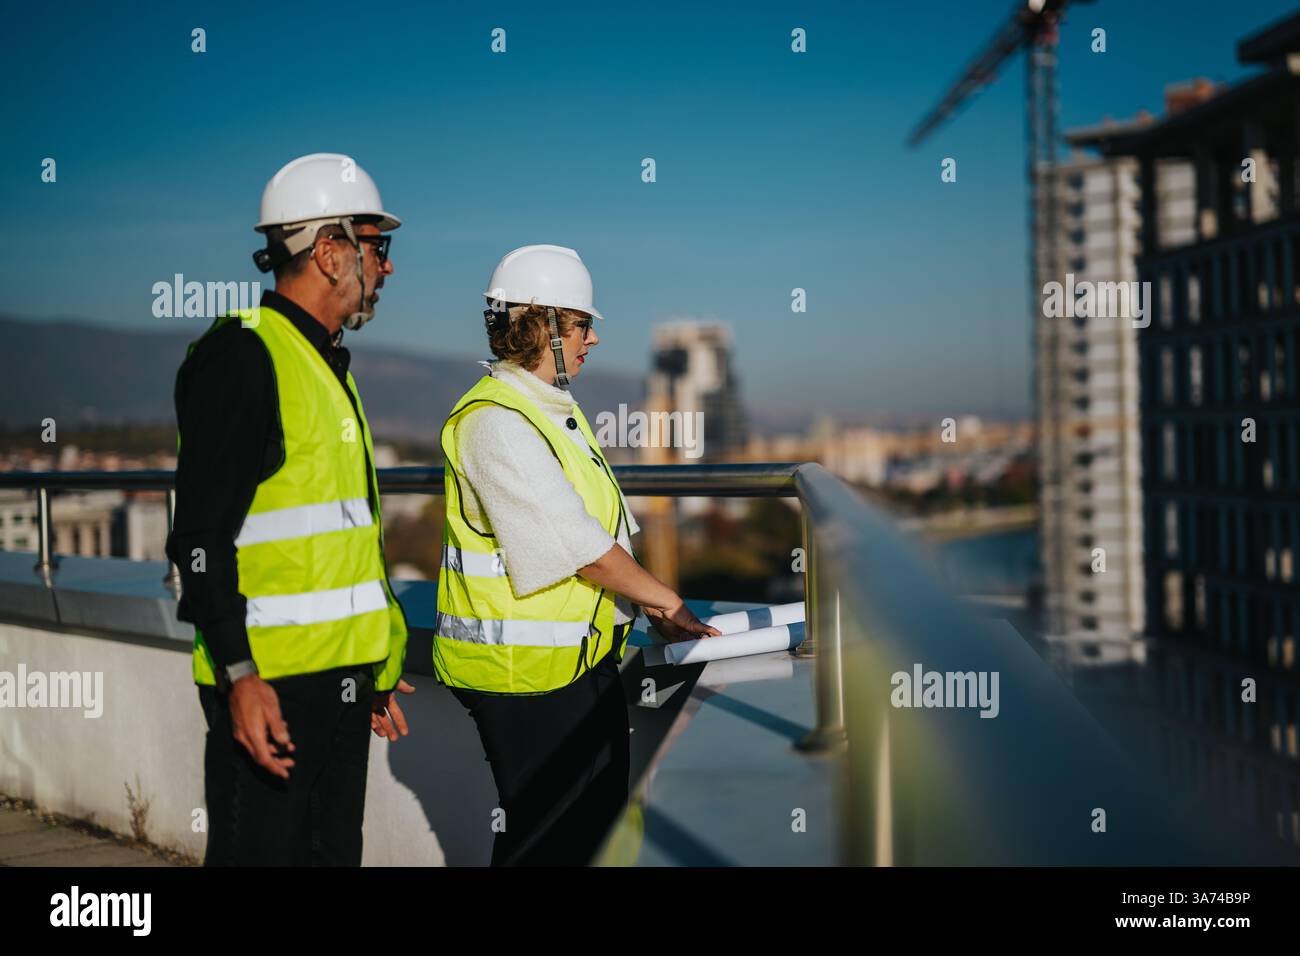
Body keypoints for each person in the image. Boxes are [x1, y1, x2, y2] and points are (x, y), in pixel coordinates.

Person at [435, 244, 720, 866]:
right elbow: (578, 547)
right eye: (582, 323)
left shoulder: (548, 410)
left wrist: (639, 605)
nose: (592, 338)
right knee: (544, 839)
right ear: (542, 326)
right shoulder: (496, 422)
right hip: (523, 676)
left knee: (594, 827)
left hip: (574, 663)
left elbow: (596, 534)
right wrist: (666, 601)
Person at [167, 153, 413, 866]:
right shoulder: (245, 359)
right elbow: (199, 538)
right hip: (269, 689)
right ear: (331, 252)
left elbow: (342, 542)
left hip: (339, 690)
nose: (388, 268)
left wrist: (369, 673)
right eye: (378, 247)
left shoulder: (325, 363)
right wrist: (241, 678)